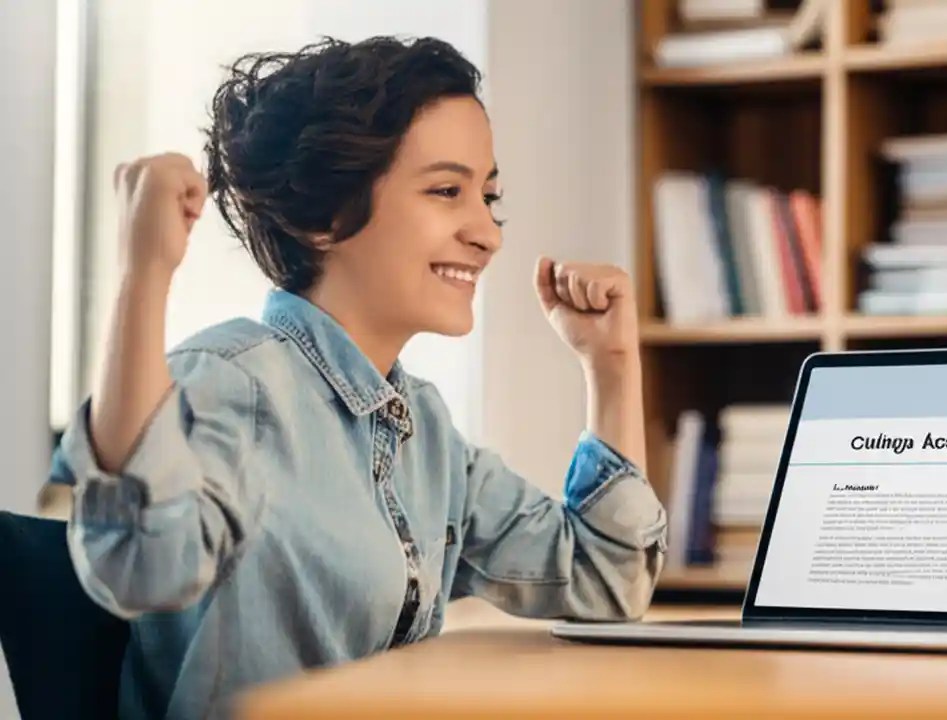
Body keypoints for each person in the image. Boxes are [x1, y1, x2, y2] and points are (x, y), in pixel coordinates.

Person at [48, 35, 667, 720]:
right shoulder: (231, 385)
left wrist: (610, 367)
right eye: (446, 191)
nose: (487, 233)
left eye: (488, 197)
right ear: (325, 217)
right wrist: (145, 271)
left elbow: (605, 584)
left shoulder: (424, 431)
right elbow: (140, 566)